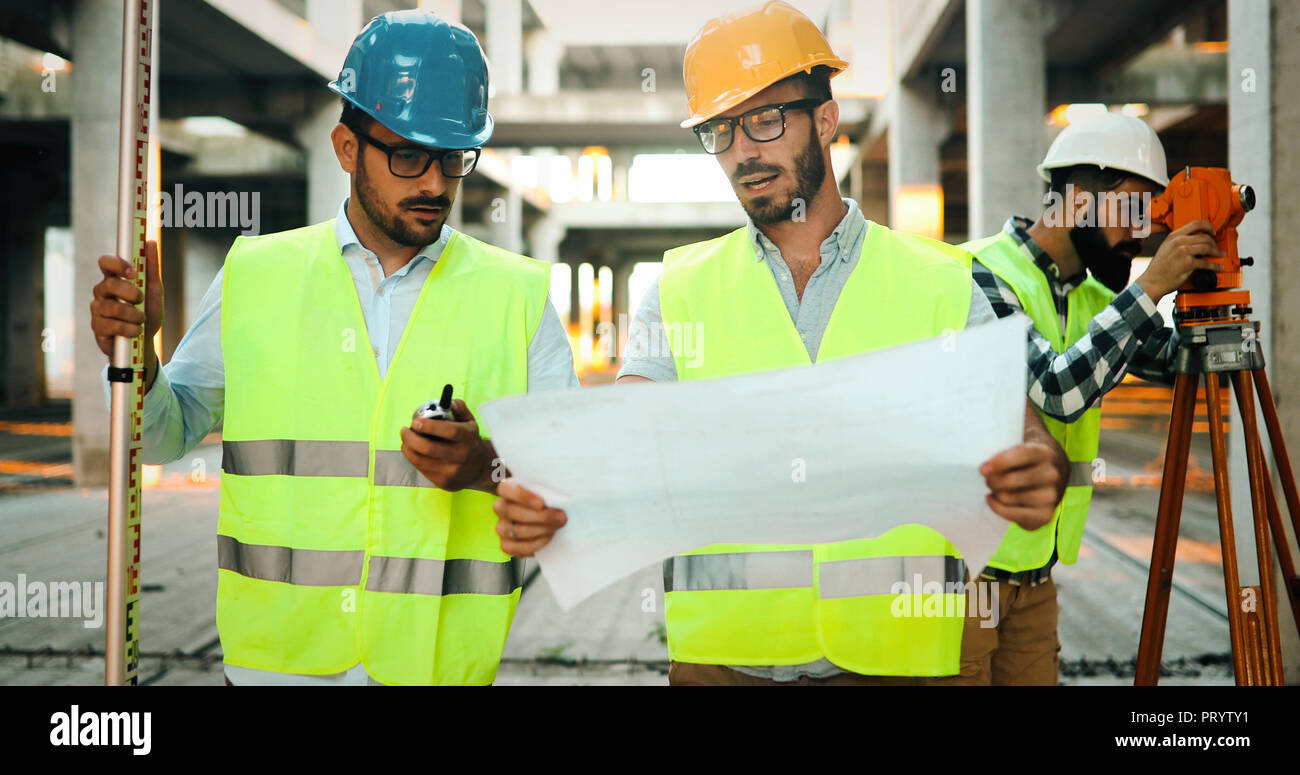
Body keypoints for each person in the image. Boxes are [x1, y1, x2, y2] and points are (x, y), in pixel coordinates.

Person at [490, 0, 1069, 686]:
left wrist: (1039, 469)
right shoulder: (677, 290)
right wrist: (542, 495)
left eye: (764, 119)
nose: (743, 150)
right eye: (721, 130)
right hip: (727, 663)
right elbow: (623, 448)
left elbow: (1028, 437)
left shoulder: (940, 281)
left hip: (898, 660)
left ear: (826, 119)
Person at [89, 9, 576, 686]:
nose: (434, 183)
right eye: (407, 154)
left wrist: (484, 466)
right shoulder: (256, 275)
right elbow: (165, 438)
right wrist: (137, 359)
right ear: (347, 148)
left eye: (453, 157)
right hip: (274, 668)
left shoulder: (517, 295)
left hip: (437, 670)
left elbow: (573, 489)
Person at [951, 111, 1224, 685]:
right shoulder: (980, 273)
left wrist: (1211, 298)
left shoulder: (1096, 295)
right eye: (1132, 209)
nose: (1143, 232)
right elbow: (1055, 390)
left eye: (1152, 213)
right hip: (966, 578)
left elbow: (1186, 365)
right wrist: (1152, 287)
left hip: (1035, 578)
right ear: (1078, 201)